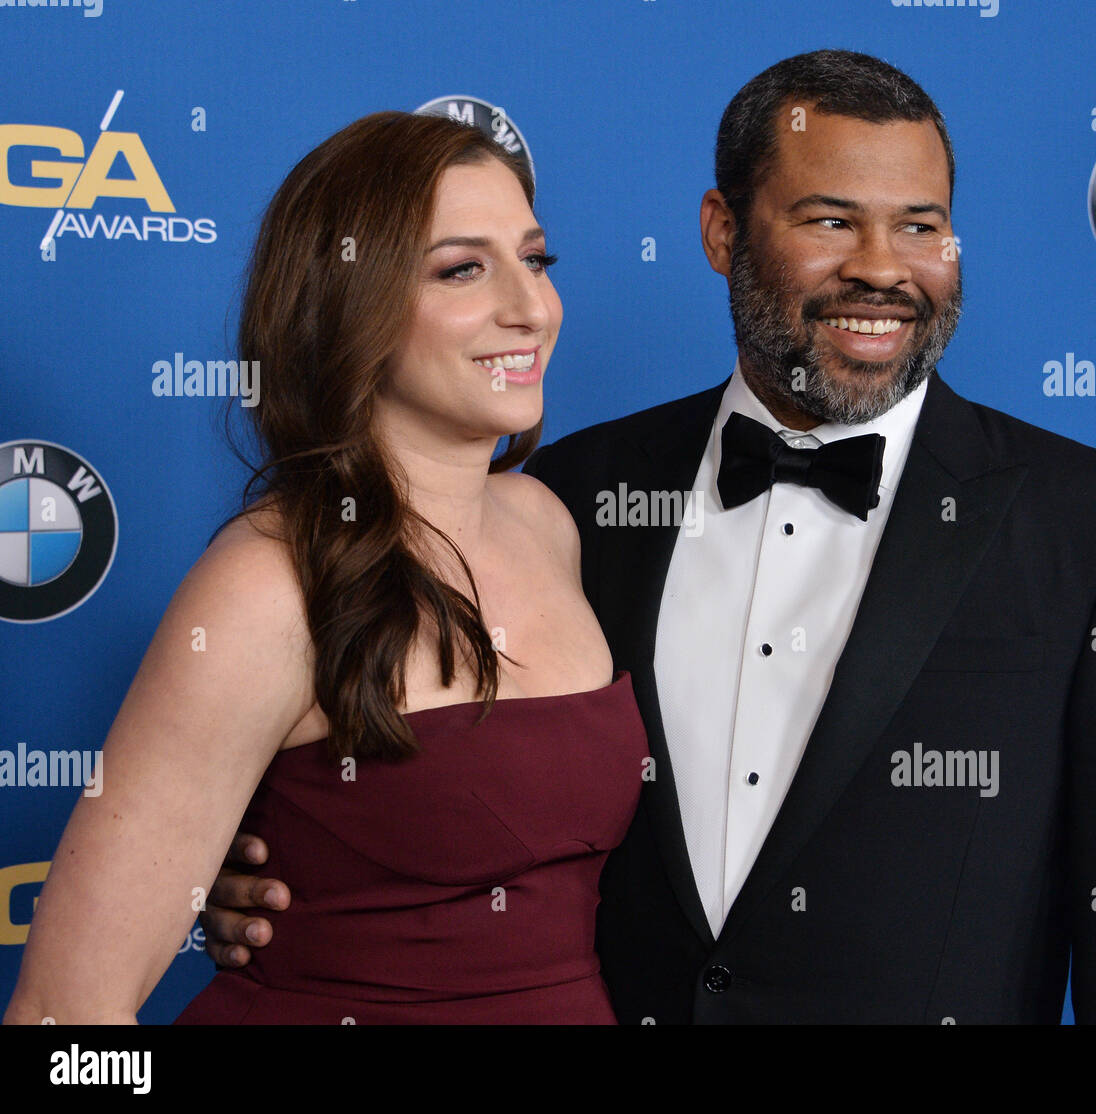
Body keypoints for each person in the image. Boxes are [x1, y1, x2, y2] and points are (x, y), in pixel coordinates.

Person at [204, 50, 1096, 1024]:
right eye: (830, 220)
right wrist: (253, 880)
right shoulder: (564, 500)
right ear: (721, 232)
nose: (883, 271)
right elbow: (435, 788)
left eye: (921, 227)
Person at [2, 111, 647, 1025]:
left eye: (536, 260)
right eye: (463, 268)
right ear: (351, 304)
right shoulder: (267, 585)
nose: (532, 308)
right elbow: (61, 1013)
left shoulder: (549, 522)